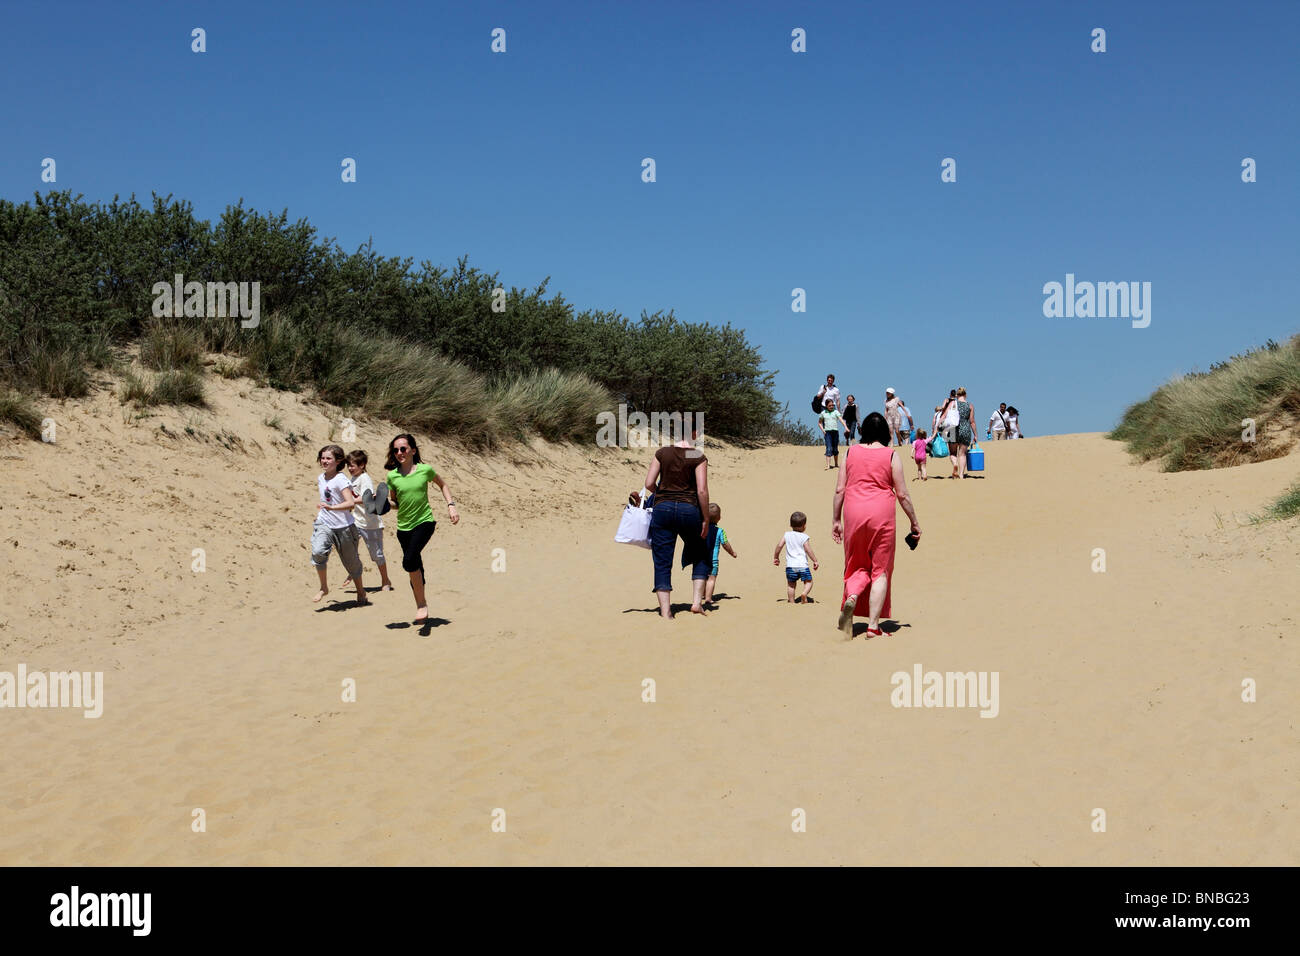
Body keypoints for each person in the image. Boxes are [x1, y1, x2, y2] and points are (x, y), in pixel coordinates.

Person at [832, 412, 921, 637]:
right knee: (880, 570)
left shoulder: (850, 452)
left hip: (853, 513)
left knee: (855, 565)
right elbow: (902, 494)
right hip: (881, 514)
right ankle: (873, 626)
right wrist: (914, 522)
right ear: (884, 432)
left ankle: (852, 596)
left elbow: (840, 489)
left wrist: (835, 519)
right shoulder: (891, 455)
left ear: (863, 432)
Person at [629, 422, 710, 619]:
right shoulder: (696, 455)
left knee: (662, 560)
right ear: (693, 433)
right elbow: (701, 490)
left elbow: (649, 483)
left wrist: (662, 494)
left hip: (662, 509)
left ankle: (666, 612)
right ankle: (697, 604)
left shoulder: (662, 453)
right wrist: (706, 518)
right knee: (701, 553)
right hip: (688, 509)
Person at [385, 434, 459, 622]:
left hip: (424, 522)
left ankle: (421, 605)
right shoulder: (392, 476)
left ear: (413, 450)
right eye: (396, 450)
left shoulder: (425, 470)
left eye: (403, 448)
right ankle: (422, 604)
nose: (399, 453)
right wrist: (386, 506)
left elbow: (443, 485)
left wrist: (451, 506)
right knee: (415, 566)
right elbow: (396, 503)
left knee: (409, 561)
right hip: (404, 528)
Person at [311, 445, 369, 606]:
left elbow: (350, 503)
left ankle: (360, 591)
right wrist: (322, 514)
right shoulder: (321, 478)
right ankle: (324, 587)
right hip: (324, 523)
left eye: (328, 458)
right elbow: (326, 500)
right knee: (318, 552)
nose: (324, 461)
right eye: (322, 458)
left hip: (344, 527)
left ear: (338, 461)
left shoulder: (341, 479)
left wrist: (332, 508)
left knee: (351, 563)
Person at [345, 450, 393, 591]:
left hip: (370, 524)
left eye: (353, 465)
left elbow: (366, 498)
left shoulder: (364, 478)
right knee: (349, 547)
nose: (350, 468)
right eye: (349, 465)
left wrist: (350, 501)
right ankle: (352, 571)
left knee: (376, 555)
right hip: (356, 521)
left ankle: (385, 580)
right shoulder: (353, 479)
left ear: (362, 465)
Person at [773, 511, 818, 603]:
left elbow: (779, 546)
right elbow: (808, 550)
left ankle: (791, 601)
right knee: (809, 582)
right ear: (804, 526)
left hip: (790, 566)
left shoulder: (787, 535)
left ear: (790, 524)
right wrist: (815, 560)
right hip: (803, 566)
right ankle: (805, 593)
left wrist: (776, 557)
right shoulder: (804, 537)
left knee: (791, 585)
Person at [703, 502, 737, 606]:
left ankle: (701, 594)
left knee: (702, 577)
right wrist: (732, 553)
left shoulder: (702, 528)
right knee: (711, 578)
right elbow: (725, 544)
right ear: (719, 518)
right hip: (713, 560)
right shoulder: (720, 531)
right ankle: (708, 598)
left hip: (701, 559)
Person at [818, 398, 847, 469]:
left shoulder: (836, 412)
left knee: (835, 449)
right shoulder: (823, 413)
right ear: (826, 406)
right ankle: (828, 465)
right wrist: (823, 430)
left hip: (835, 432)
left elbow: (841, 420)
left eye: (832, 405)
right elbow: (819, 423)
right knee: (828, 448)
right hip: (827, 433)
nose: (831, 407)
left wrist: (845, 427)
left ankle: (836, 464)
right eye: (830, 405)